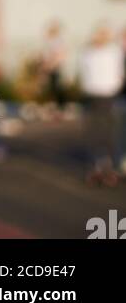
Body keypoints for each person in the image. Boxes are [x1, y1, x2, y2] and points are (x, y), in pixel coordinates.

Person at [78, 23, 125, 186]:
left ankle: (110, 166)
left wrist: (114, 86)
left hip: (108, 95)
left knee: (108, 132)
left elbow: (118, 72)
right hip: (92, 95)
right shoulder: (88, 52)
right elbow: (85, 71)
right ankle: (96, 166)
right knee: (94, 132)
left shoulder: (113, 51)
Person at [40, 20, 68, 111]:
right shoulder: (48, 40)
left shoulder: (58, 40)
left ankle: (60, 107)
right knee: (49, 87)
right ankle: (52, 105)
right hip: (48, 66)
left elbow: (58, 54)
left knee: (56, 87)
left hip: (55, 67)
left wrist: (52, 64)